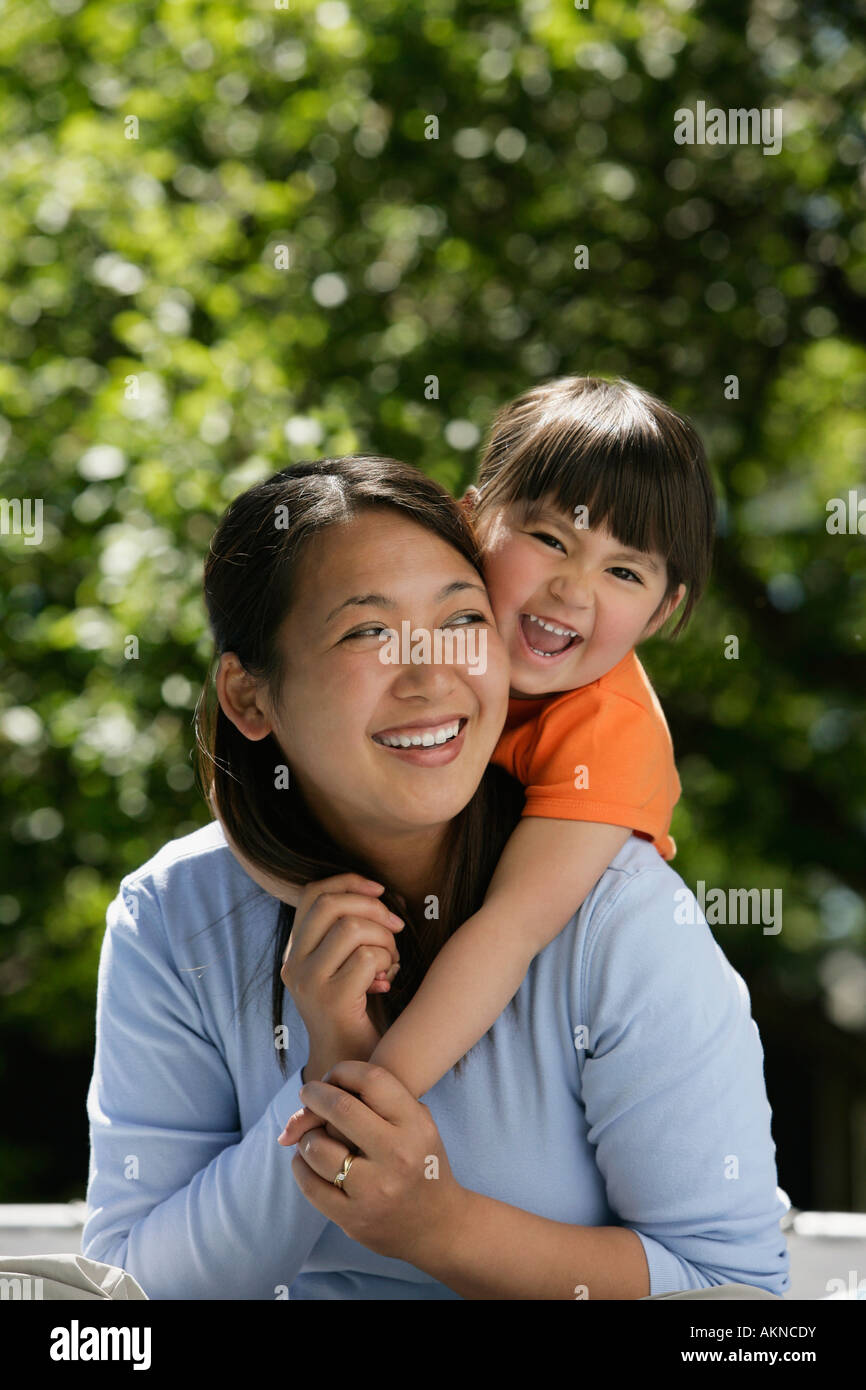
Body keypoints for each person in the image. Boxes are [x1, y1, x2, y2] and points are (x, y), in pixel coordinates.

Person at [82, 453, 790, 1299]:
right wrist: (327, 1073)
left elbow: (741, 1308)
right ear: (250, 699)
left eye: (461, 620)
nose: (430, 678)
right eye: (368, 632)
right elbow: (121, 1299)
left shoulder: (618, 918)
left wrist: (442, 1228)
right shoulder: (173, 914)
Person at [248, 378, 717, 1150]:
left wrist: (365, 1101)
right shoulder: (417, 635)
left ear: (663, 611)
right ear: (472, 519)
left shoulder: (611, 737)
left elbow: (510, 931)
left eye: (624, 572)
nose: (572, 591)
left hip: (541, 1023)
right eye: (551, 541)